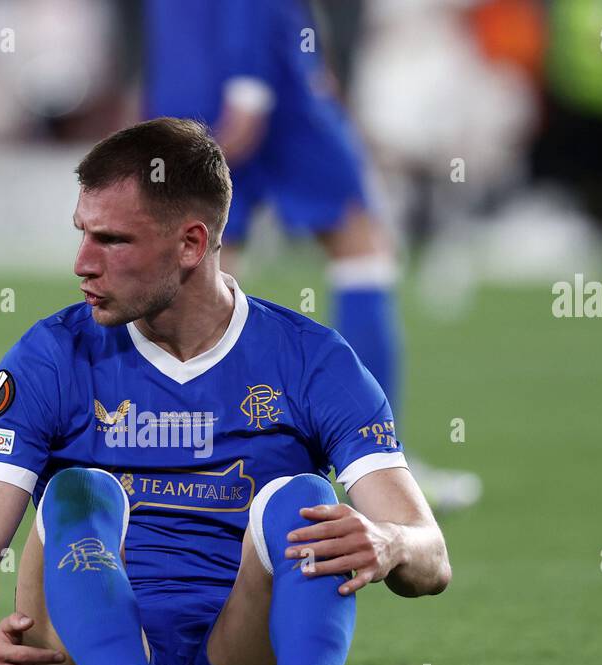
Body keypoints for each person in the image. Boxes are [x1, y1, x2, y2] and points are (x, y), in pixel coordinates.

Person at [0, 119, 451, 665]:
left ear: (192, 243)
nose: (82, 262)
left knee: (304, 499)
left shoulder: (311, 360)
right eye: (81, 232)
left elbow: (430, 554)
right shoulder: (48, 357)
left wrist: (385, 542)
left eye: (111, 240)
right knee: (75, 491)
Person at [145, 0, 482, 508]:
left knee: (201, 259)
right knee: (359, 247)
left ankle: (179, 462)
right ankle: (376, 462)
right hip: (267, 70)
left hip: (191, 66)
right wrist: (250, 83)